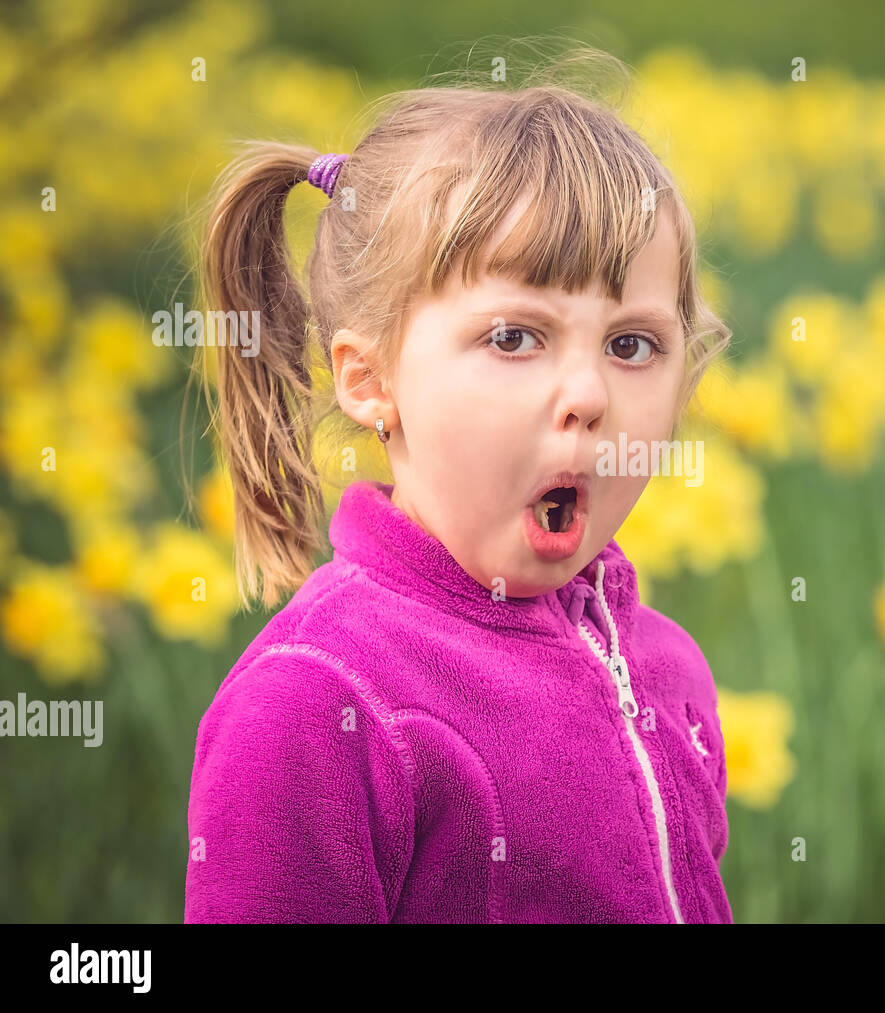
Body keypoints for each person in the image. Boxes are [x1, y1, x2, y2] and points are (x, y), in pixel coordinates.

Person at [183, 52, 734, 923]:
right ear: (371, 381)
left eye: (632, 344)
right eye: (515, 337)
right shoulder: (316, 705)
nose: (589, 395)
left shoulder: (668, 669)